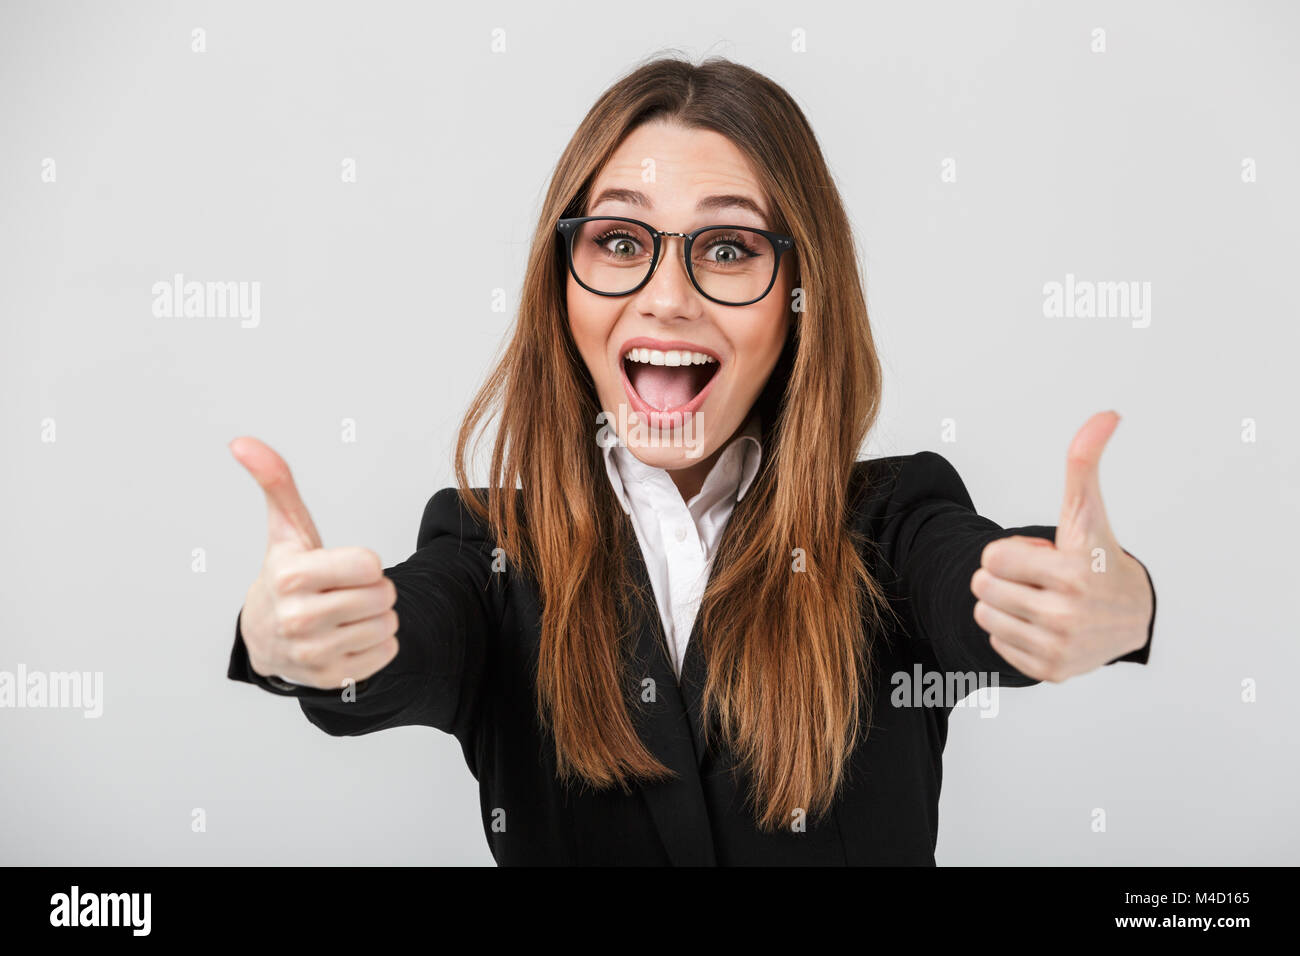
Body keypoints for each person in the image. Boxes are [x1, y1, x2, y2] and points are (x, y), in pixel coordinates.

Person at [225, 54, 1156, 865]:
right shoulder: (487, 552)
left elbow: (983, 590)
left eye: (728, 247)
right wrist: (302, 646)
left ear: (801, 294)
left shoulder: (892, 523)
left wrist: (1106, 598)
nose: (667, 297)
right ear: (562, 289)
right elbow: (398, 646)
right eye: (620, 241)